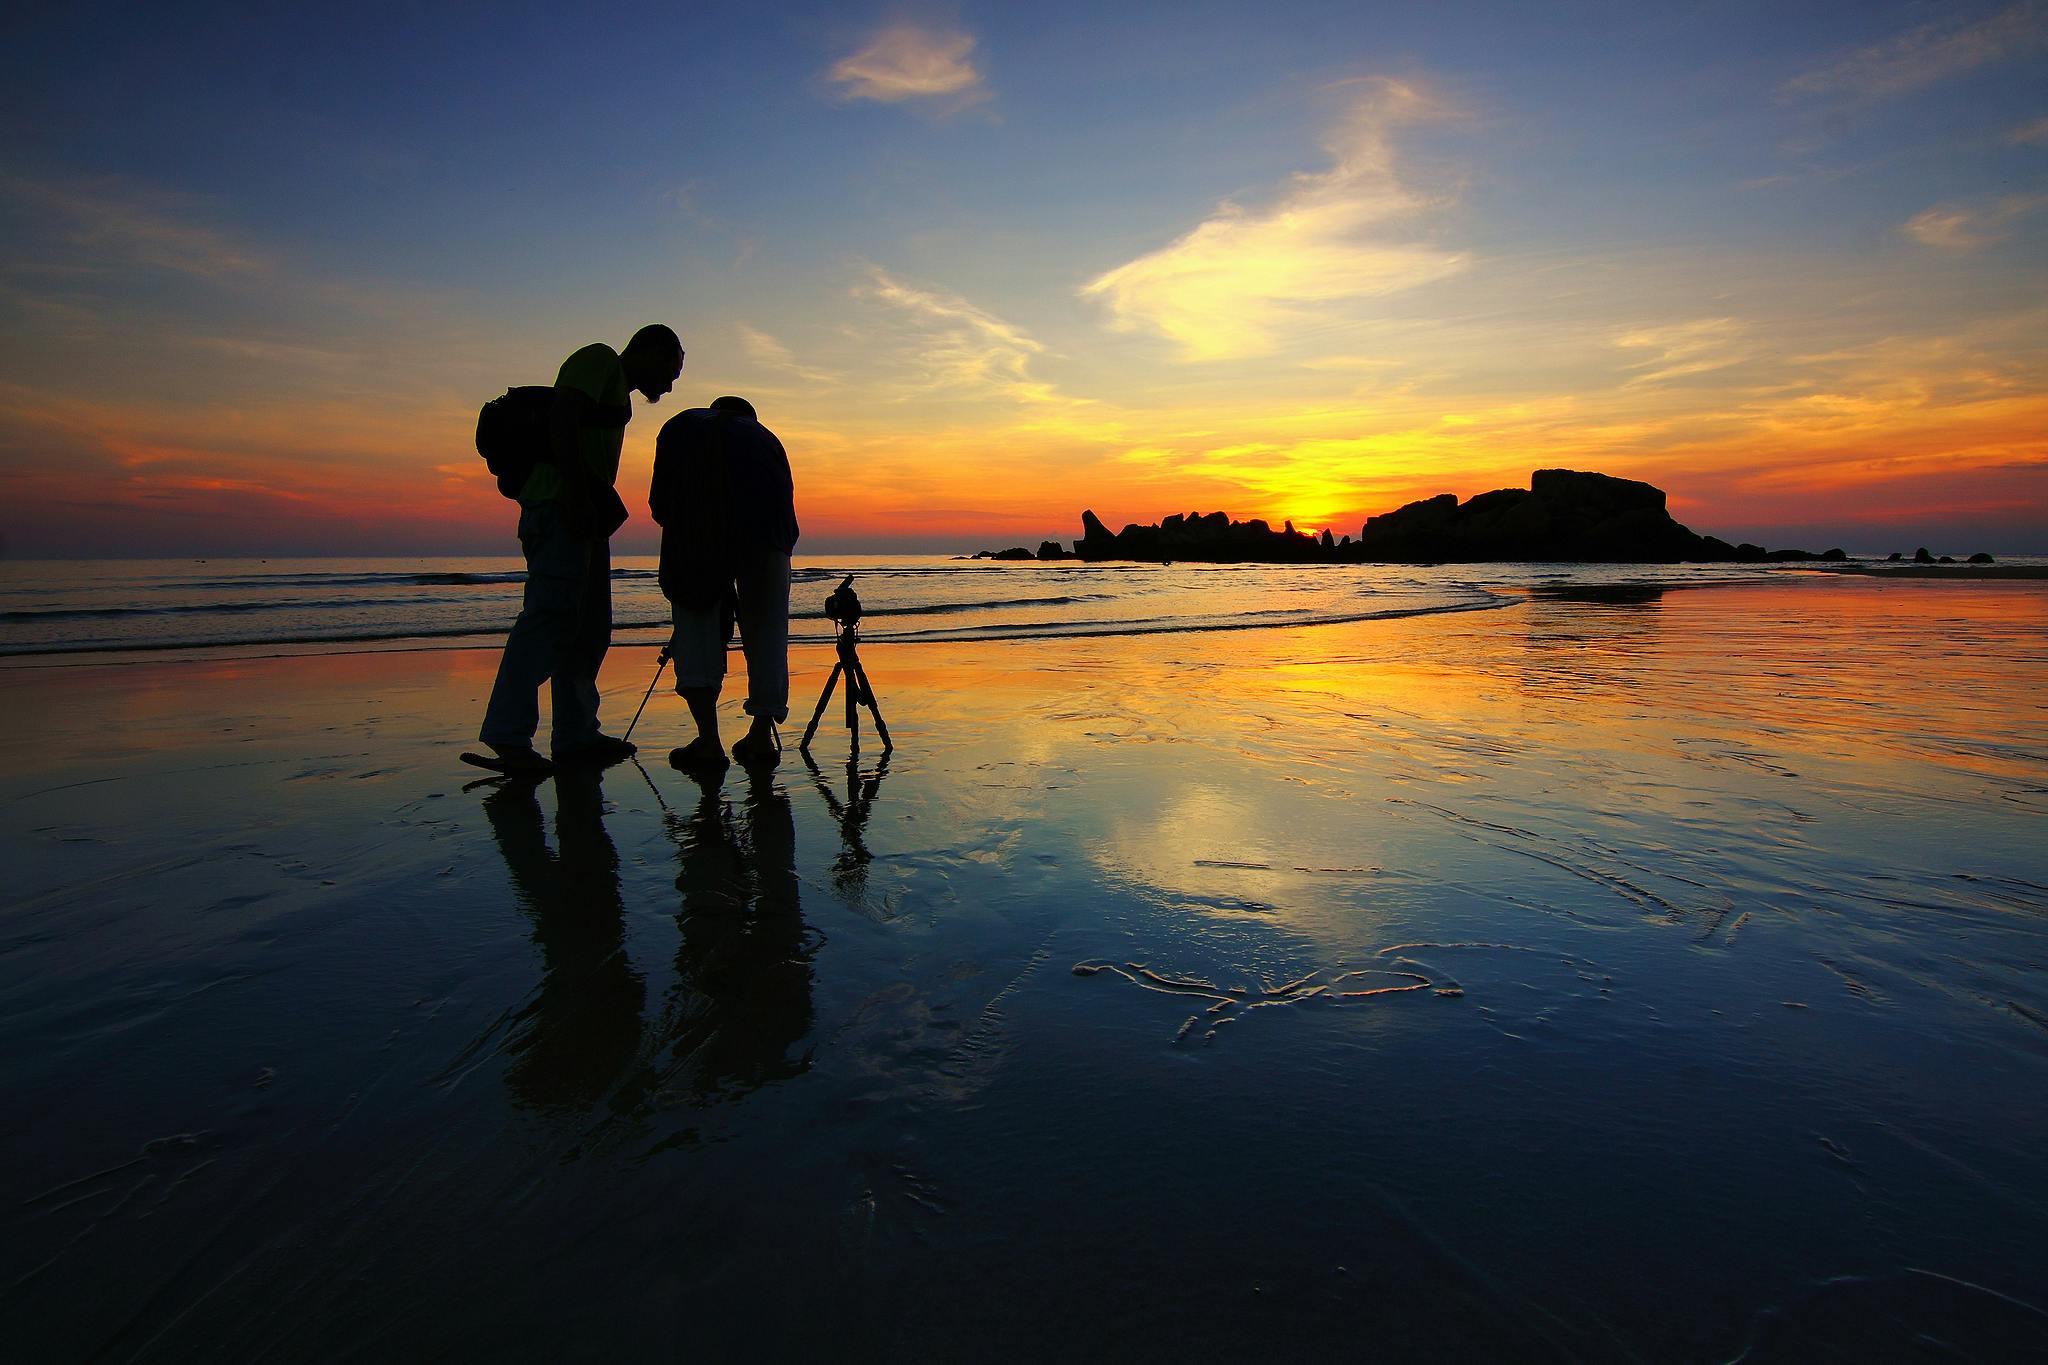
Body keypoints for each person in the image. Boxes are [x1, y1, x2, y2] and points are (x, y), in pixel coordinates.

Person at [478, 325, 684, 772]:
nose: (669, 386)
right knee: (549, 620)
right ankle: (508, 735)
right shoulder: (599, 358)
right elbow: (562, 416)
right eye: (671, 370)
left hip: (584, 514)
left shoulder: (616, 389)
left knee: (589, 630)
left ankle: (575, 735)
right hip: (559, 507)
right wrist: (574, 494)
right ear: (650, 350)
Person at [650, 394, 799, 770]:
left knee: (696, 630)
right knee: (767, 634)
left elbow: (659, 505)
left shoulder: (681, 425)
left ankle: (708, 742)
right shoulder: (767, 438)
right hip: (768, 539)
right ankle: (761, 737)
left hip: (697, 532)